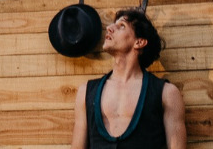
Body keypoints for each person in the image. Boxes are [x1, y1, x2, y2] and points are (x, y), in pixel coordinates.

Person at [68, 8, 186, 149]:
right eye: (113, 24)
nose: (110, 28)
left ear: (139, 42)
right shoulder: (86, 92)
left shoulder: (167, 93)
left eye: (121, 26)